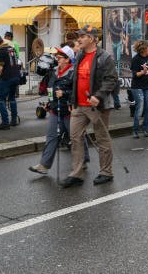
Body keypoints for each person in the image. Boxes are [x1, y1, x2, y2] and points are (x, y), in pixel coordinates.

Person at [59, 25, 118, 188]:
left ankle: (106, 172)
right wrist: (72, 100)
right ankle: (76, 173)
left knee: (102, 138)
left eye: (82, 36)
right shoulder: (79, 55)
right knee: (75, 137)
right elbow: (75, 79)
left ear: (91, 38)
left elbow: (111, 79)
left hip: (97, 106)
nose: (79, 39)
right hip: (79, 105)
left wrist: (98, 96)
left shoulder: (104, 57)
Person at [29, 46, 89, 175]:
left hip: (69, 111)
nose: (57, 58)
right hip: (55, 110)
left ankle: (83, 160)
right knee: (51, 137)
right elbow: (51, 89)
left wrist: (65, 93)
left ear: (68, 59)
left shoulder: (74, 72)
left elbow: (79, 91)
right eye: (57, 56)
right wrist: (49, 103)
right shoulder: (54, 71)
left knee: (76, 138)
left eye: (60, 56)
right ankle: (44, 165)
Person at [0, 33, 21, 130]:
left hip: (6, 78)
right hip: (16, 76)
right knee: (12, 98)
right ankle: (14, 120)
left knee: (0, 100)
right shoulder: (12, 49)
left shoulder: (1, 51)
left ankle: (5, 123)